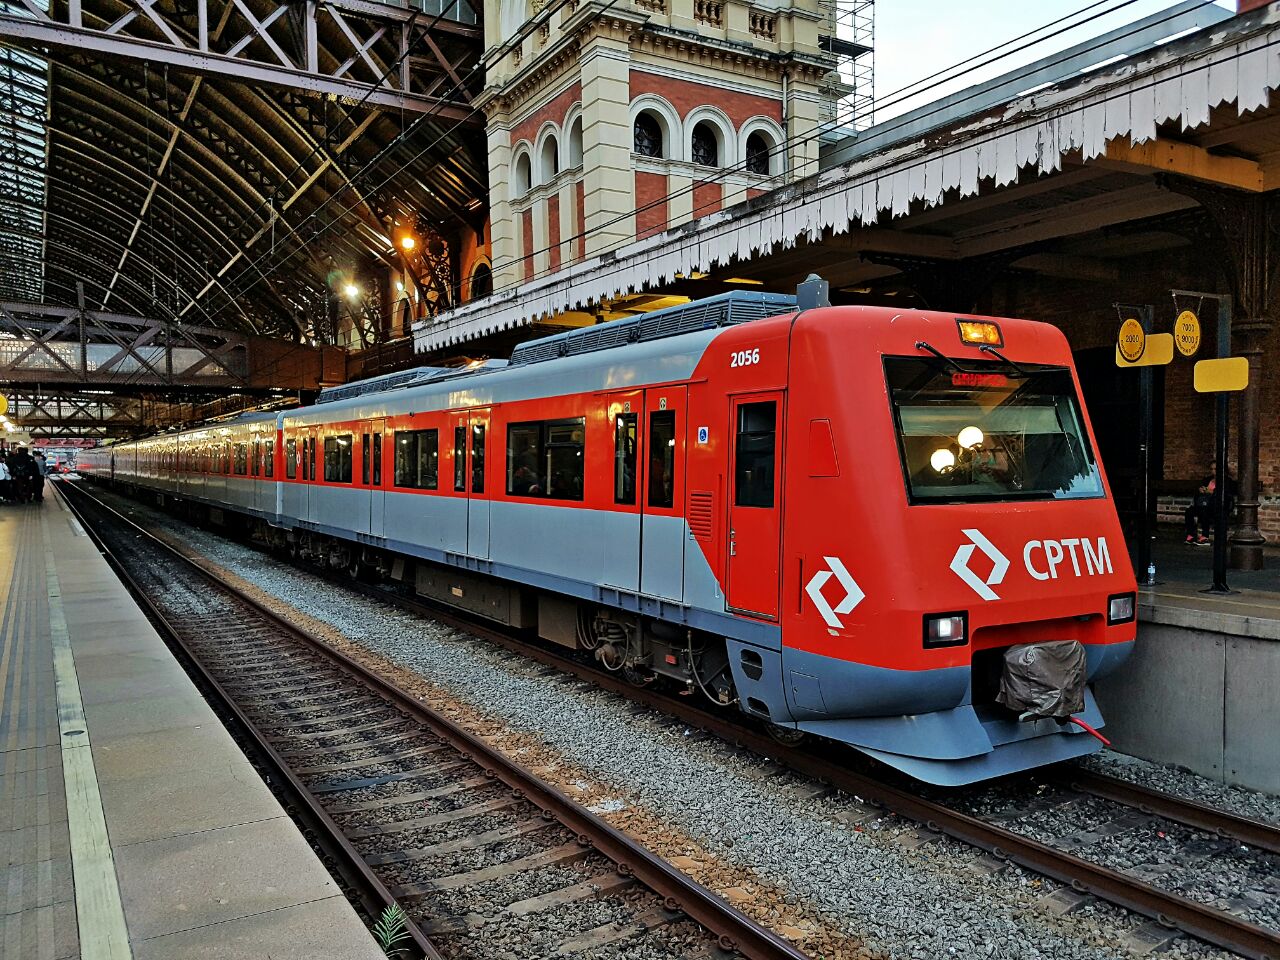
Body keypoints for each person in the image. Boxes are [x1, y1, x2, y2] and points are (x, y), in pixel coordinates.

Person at [1185, 462, 1234, 545]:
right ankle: (1191, 535)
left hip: (1216, 506)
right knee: (1189, 511)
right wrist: (1201, 490)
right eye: (1211, 469)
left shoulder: (1226, 481)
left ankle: (1205, 536)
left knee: (1205, 510)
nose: (1213, 471)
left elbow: (1224, 494)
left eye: (1215, 469)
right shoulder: (1207, 479)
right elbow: (1201, 490)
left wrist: (1210, 491)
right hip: (1204, 503)